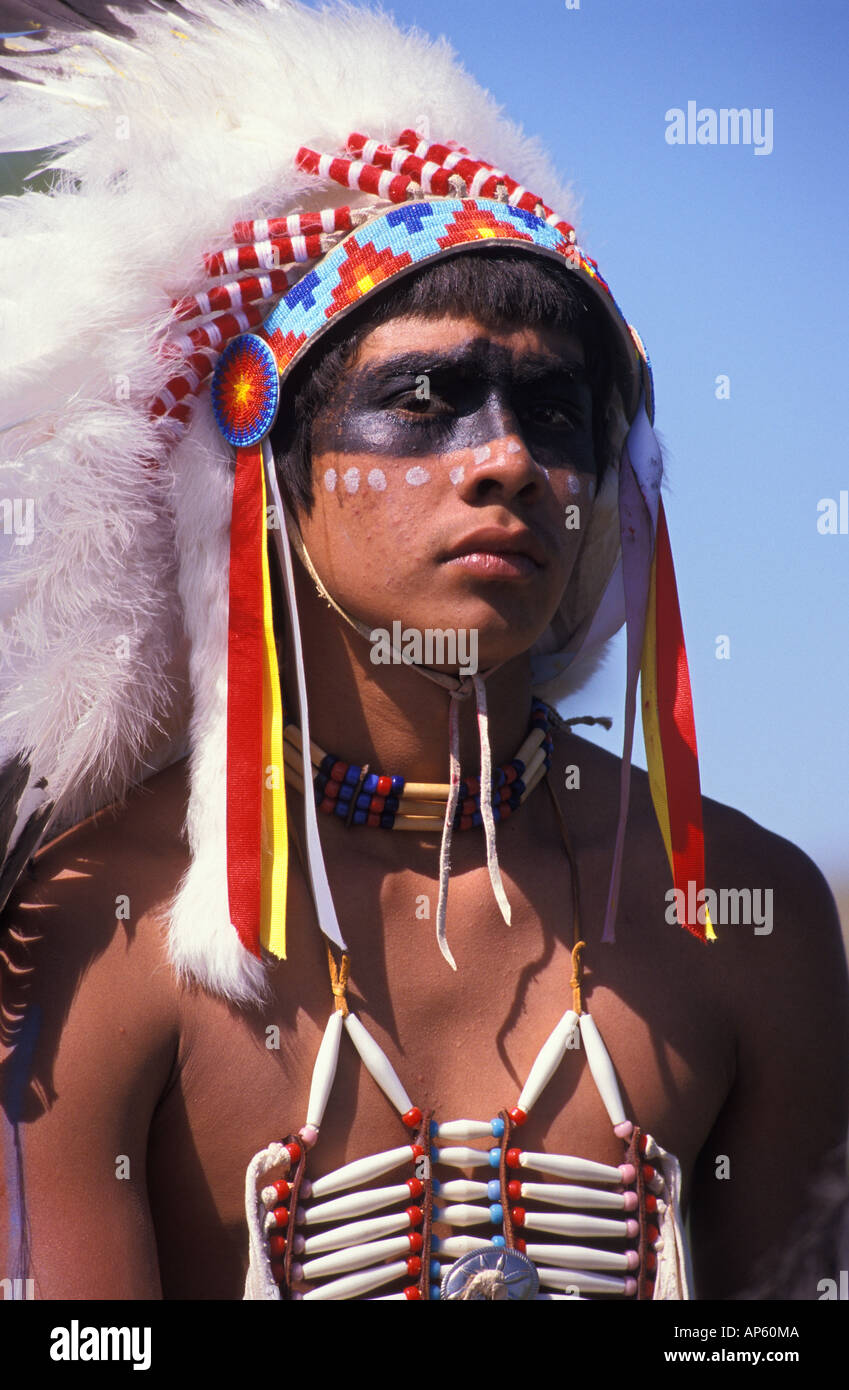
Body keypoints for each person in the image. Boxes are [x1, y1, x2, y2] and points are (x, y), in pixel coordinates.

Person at [1, 0, 847, 1304]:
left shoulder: (749, 913)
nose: (504, 456)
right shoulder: (106, 934)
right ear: (274, 481)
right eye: (422, 399)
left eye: (553, 410)